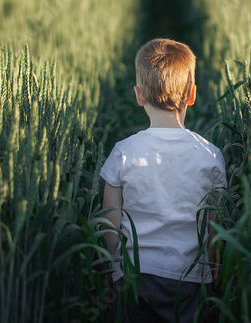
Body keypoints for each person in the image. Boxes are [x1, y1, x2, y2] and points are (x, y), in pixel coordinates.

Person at [98, 38, 226, 322]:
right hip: (191, 278)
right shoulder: (211, 156)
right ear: (192, 95)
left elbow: (110, 223)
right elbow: (215, 230)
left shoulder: (123, 152)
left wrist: (108, 273)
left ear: (139, 95)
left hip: (134, 276)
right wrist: (213, 278)